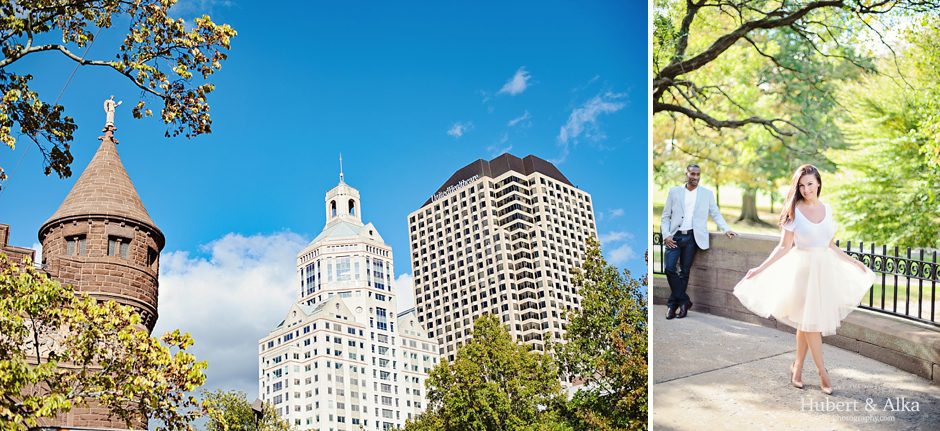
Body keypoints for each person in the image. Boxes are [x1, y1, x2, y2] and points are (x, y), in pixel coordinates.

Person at [733, 164, 875, 395]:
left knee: (806, 323)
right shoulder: (794, 211)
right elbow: (783, 247)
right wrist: (759, 269)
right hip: (801, 273)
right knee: (813, 325)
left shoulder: (827, 209)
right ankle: (822, 372)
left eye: (810, 184)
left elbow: (829, 244)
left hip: (823, 272)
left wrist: (853, 262)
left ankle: (797, 367)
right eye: (802, 185)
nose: (807, 189)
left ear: (818, 183)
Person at [661, 164, 737, 320]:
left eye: (698, 174)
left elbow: (715, 213)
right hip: (674, 236)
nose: (695, 177)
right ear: (686, 173)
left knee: (684, 272)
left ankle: (672, 306)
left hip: (692, 238)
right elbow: (665, 216)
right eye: (692, 174)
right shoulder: (674, 192)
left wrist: (726, 229)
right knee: (669, 269)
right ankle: (684, 301)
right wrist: (666, 235)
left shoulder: (706, 194)